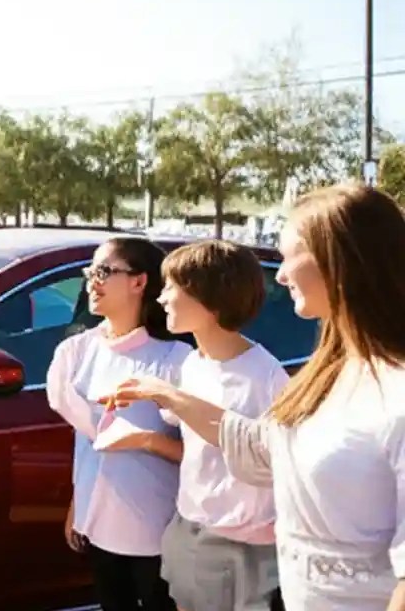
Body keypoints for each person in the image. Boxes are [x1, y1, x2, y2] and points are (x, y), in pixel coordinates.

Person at [104, 183, 405, 611]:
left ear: (341, 260)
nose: (279, 276)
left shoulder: (394, 394)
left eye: (288, 257)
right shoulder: (332, 374)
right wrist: (165, 395)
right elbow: (259, 448)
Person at [46, 236, 189, 611]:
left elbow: (203, 456)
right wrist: (79, 503)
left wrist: (146, 440)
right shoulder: (76, 352)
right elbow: (86, 440)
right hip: (99, 526)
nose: (92, 281)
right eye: (90, 271)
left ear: (139, 282)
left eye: (103, 271)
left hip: (158, 532)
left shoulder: (176, 358)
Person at [153, 240, 289, 610]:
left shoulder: (264, 378)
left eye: (171, 288)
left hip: (240, 549)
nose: (161, 298)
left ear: (209, 299)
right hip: (191, 529)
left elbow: (276, 464)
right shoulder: (194, 363)